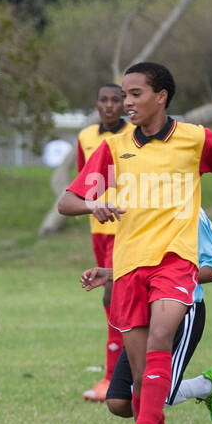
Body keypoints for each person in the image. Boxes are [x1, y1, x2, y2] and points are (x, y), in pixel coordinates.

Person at [58, 61, 212, 424]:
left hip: (176, 263)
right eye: (123, 95)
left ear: (161, 96)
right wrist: (93, 204)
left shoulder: (195, 138)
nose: (126, 103)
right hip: (129, 268)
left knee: (163, 336)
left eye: (136, 93)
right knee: (138, 389)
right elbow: (66, 202)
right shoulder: (114, 148)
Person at [80, 208, 212, 424]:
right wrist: (111, 274)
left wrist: (166, 280)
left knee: (152, 395)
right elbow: (140, 263)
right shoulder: (140, 207)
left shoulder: (189, 211)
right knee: (120, 402)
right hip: (142, 313)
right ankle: (205, 386)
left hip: (183, 311)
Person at [76, 84, 132, 403]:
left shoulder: (135, 136)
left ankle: (113, 377)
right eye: (104, 100)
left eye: (116, 100)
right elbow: (82, 182)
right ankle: (128, 372)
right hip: (98, 229)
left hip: (125, 227)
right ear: (96, 104)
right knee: (114, 298)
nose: (109, 106)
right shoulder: (85, 137)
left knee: (112, 296)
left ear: (125, 104)